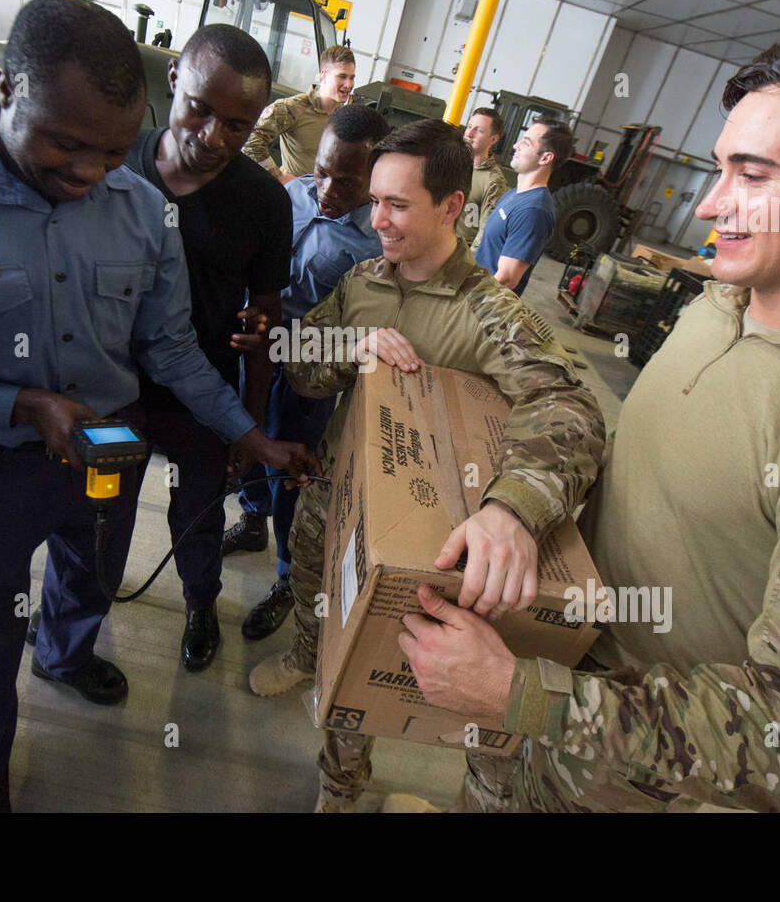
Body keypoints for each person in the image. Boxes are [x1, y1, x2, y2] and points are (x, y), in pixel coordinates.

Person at [397, 21, 780, 813]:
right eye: (718, 168)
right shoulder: (726, 297)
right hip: (547, 681)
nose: (709, 206)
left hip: (630, 779)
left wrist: (520, 693)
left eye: (753, 175)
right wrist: (520, 510)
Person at [0, 0, 319, 813]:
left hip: (110, 446)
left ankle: (63, 653)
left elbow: (169, 348)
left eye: (113, 152)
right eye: (64, 144)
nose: (88, 172)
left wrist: (247, 434)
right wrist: (15, 405)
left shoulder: (145, 211)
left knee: (90, 572)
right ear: (6, 88)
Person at [258, 119, 606, 811]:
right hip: (338, 495)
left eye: (397, 204)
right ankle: (334, 762)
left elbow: (573, 410)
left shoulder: (491, 314)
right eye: (375, 200)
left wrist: (515, 507)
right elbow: (300, 371)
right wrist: (353, 348)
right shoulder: (361, 281)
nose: (375, 219)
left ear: (451, 205)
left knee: (412, 672)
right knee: (318, 605)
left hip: (439, 540)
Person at [121, 23, 291, 670]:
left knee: (196, 517)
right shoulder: (116, 165)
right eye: (199, 109)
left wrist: (245, 428)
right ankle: (77, 604)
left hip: (203, 402)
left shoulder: (263, 203)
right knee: (102, 509)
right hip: (115, 397)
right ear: (172, 83)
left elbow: (263, 326)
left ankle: (199, 605)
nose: (214, 137)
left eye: (238, 126)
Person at [226, 104, 390, 645]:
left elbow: (352, 341)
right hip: (252, 358)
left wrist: (284, 344)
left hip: (307, 379)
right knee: (246, 444)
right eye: (322, 170)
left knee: (292, 475)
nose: (326, 188)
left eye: (347, 180)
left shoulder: (376, 249)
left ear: (376, 176)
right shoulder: (290, 196)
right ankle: (251, 521)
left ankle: (286, 577)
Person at [473, 119, 571, 297]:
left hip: (479, 309)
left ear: (545, 158)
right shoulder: (513, 194)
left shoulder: (534, 211)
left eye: (526, 143)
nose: (516, 146)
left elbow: (506, 279)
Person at [242, 44, 355, 183]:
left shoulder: (344, 117)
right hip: (292, 199)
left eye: (352, 77)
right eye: (342, 76)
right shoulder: (294, 107)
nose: (348, 84)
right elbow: (250, 140)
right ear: (324, 75)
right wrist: (279, 177)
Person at [456, 106, 508, 248]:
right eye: (469, 127)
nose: (469, 134)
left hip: (457, 257)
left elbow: (487, 233)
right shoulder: (451, 164)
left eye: (478, 130)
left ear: (493, 139)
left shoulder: (494, 182)